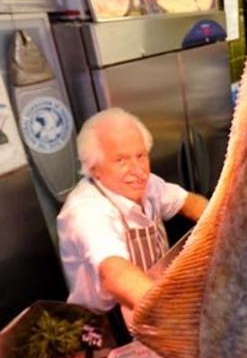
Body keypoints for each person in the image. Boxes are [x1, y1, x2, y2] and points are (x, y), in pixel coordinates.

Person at [56, 108, 208, 318]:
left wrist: (227, 228)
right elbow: (114, 273)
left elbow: (188, 203)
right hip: (110, 323)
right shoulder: (87, 211)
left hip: (151, 298)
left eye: (140, 155)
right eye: (121, 160)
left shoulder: (146, 183)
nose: (138, 171)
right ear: (95, 169)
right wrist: (175, 318)